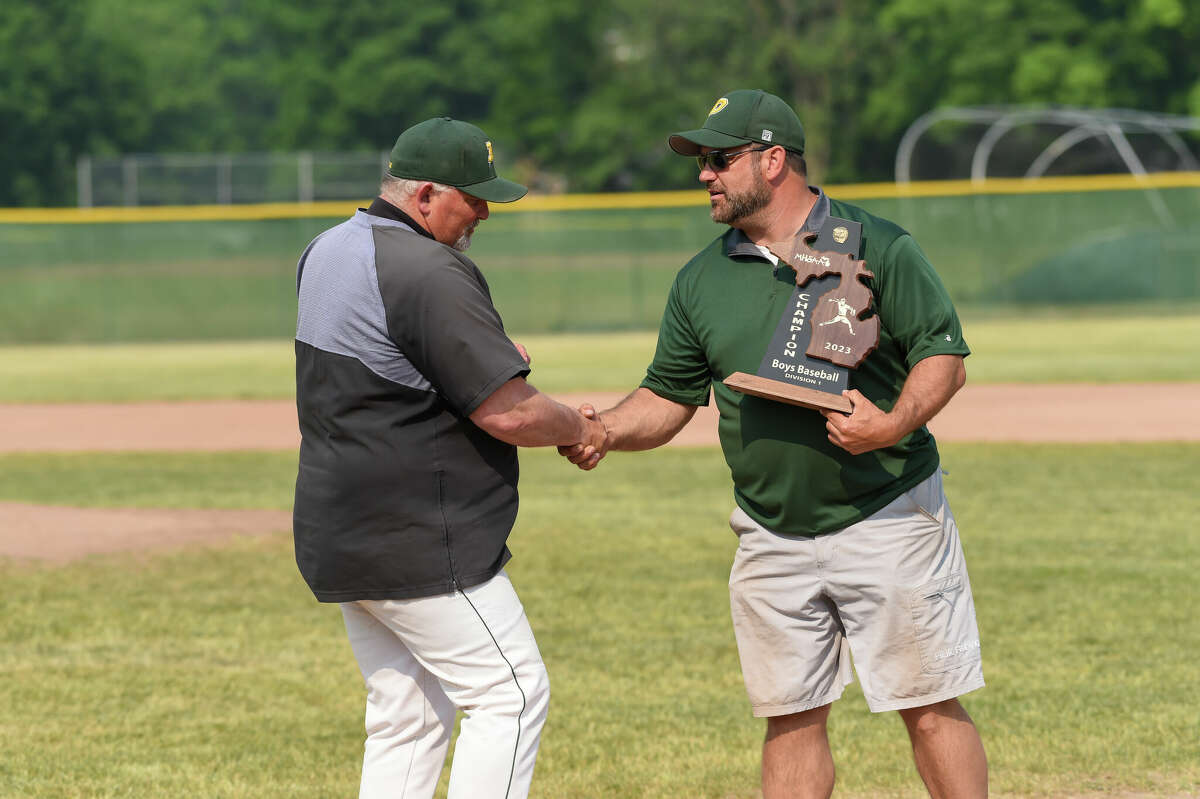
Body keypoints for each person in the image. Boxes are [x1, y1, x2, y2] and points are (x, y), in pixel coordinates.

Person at [561, 90, 988, 799]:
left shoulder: (877, 244)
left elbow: (943, 357)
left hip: (885, 514)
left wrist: (890, 424)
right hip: (768, 532)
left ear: (774, 159)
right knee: (790, 718)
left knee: (928, 704)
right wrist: (604, 427)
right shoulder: (701, 277)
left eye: (719, 159)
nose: (705, 174)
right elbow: (669, 394)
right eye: (702, 160)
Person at [293, 116, 605, 799]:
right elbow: (509, 411)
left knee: (408, 716)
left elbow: (390, 364)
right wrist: (572, 426)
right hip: (417, 536)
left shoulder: (327, 248)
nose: (485, 210)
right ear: (427, 195)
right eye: (474, 195)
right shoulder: (429, 266)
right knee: (512, 694)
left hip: (338, 528)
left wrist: (491, 366)